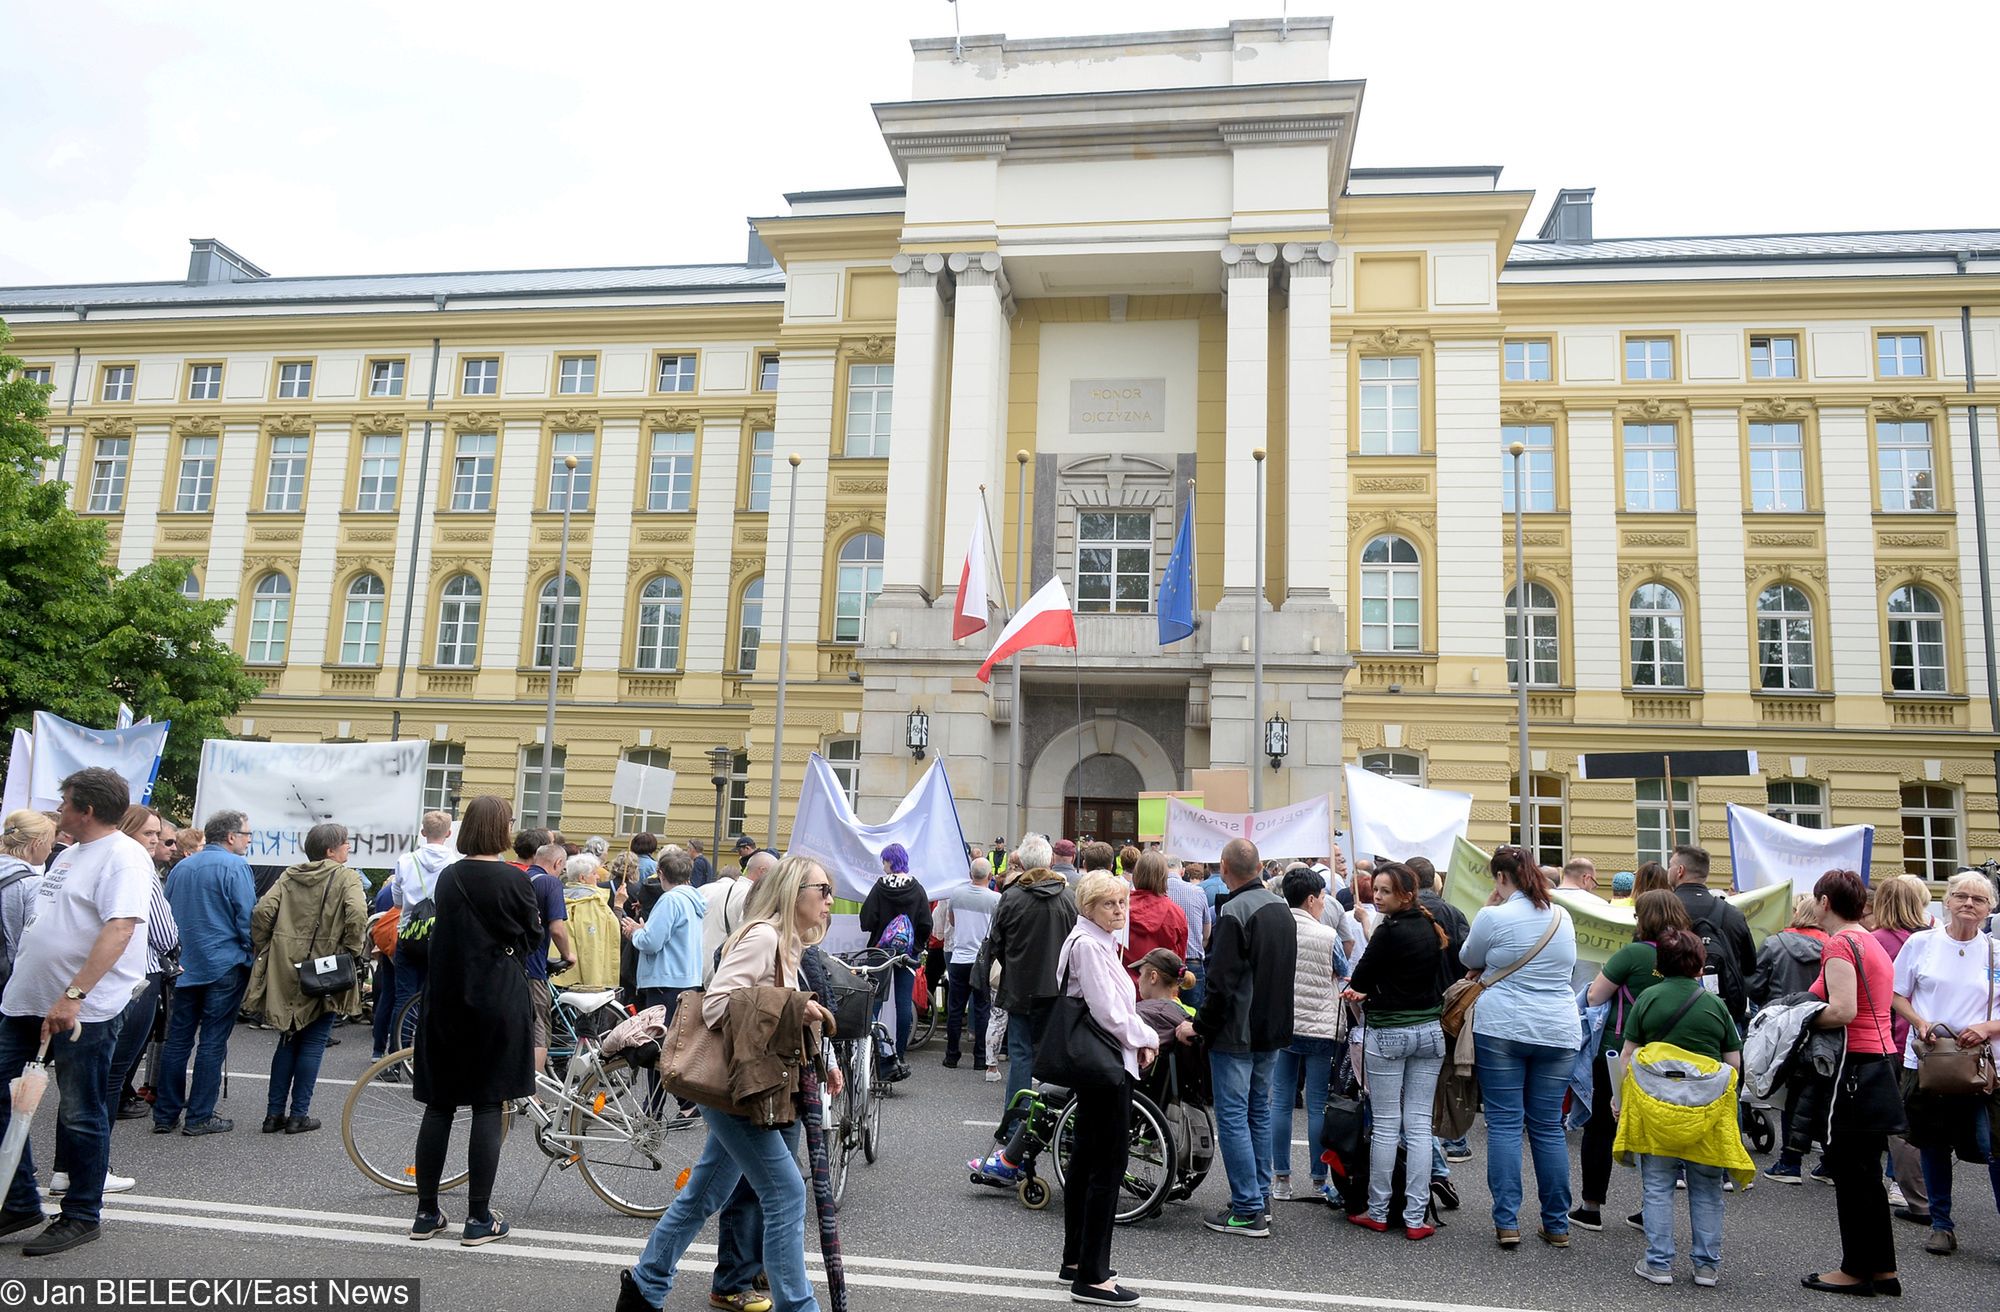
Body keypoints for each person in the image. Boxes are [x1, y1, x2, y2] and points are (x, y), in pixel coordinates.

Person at [618, 856, 841, 1312]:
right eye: (823, 890)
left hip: (759, 1085)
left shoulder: (788, 943)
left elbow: (786, 1014)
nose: (830, 901)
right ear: (793, 892)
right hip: (737, 1087)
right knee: (785, 1193)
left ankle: (644, 1287)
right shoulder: (763, 937)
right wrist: (790, 1006)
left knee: (706, 1192)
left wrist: (825, 1054)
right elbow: (718, 1004)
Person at [0, 769, 151, 1255]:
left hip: (81, 1010)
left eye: (65, 802)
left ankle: (82, 1214)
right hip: (28, 1002)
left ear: (86, 810)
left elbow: (121, 929)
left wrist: (74, 994)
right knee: (5, 1097)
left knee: (80, 1112)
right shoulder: (70, 853)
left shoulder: (123, 856)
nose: (58, 809)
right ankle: (19, 1201)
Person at [410, 796, 541, 1247]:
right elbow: (532, 936)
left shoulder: (449, 877)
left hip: (446, 997)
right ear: (501, 829)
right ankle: (478, 1217)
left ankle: (426, 1213)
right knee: (488, 1104)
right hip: (496, 997)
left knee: (440, 1105)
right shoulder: (514, 879)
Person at [1460, 845, 1581, 1248]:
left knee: (1505, 1124)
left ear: (1500, 877)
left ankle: (1507, 1221)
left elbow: (1468, 957)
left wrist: (1487, 908)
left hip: (1502, 1026)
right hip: (1558, 1028)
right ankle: (1557, 1224)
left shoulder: (1493, 916)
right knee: (1547, 1127)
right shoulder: (1562, 916)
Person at [1616, 927, 1749, 1287]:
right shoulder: (1714, 1004)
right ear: (1699, 965)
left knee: (1657, 1185)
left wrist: (1620, 1100)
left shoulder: (1648, 998)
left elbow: (1628, 1056)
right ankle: (1706, 1267)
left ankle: (1658, 1263)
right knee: (1706, 1189)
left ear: (1660, 964)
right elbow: (1734, 1063)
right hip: (1705, 1111)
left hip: (1655, 1108)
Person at [1177, 837, 1295, 1239]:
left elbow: (1221, 983)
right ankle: (1258, 1197)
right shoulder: (1281, 908)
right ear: (1260, 867)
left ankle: (1247, 1208)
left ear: (1224, 867)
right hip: (1271, 1026)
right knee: (1258, 1111)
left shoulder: (1233, 912)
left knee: (1232, 1117)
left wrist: (1200, 1026)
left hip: (1238, 1030)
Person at [1054, 872, 1156, 1308]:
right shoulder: (1090, 946)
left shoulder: (1095, 942)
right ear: (1088, 907)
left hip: (1099, 1062)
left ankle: (1077, 1259)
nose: (1119, 910)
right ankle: (1092, 1276)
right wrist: (1146, 1037)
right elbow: (1109, 1012)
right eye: (1109, 903)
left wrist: (1136, 1038)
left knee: (1086, 1160)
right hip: (1104, 1065)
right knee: (1106, 1166)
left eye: (1122, 902)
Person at [1801, 869, 1902, 1297]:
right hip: (1879, 1061)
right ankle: (1883, 1270)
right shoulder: (1870, 940)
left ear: (1824, 902)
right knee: (1866, 1172)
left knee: (1850, 1171)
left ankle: (1855, 1270)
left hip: (1853, 1066)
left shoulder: (1840, 943)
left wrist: (1800, 1018)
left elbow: (1843, 1010)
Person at [1891, 870, 2000, 1257]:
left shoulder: (1996, 951)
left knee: (1993, 1146)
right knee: (1933, 1143)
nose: (1969, 904)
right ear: (1947, 901)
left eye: (1979, 899)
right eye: (1962, 896)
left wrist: (1987, 1027)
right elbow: (1896, 994)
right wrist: (1920, 1022)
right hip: (1930, 1061)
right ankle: (1941, 1225)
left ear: (1990, 908)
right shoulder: (1921, 943)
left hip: (1984, 1066)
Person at [1572, 889, 1690, 1230]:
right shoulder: (1685, 954)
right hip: (1667, 1054)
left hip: (1618, 1050)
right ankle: (1650, 1210)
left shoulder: (1633, 954)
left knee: (1600, 1128)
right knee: (1654, 1133)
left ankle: (1591, 1207)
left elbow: (1595, 996)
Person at [1342, 862, 1448, 1236]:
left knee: (1387, 1125)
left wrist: (1365, 989)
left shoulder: (1388, 932)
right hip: (1430, 1032)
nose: (1377, 896)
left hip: (1389, 1031)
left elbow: (1360, 978)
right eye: (1376, 889)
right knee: (1419, 1126)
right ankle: (1416, 1218)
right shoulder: (1430, 926)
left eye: (1385, 891)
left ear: (1406, 894)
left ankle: (1379, 1210)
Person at [246, 821, 368, 1135]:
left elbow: (262, 911)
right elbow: (357, 914)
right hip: (327, 965)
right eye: (345, 843)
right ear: (330, 850)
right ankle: (299, 1115)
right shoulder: (346, 877)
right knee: (313, 1041)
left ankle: (273, 1115)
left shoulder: (290, 875)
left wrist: (267, 944)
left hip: (286, 963)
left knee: (288, 1037)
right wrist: (352, 949)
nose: (349, 847)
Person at [153, 810, 257, 1138]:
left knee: (178, 1040)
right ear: (231, 836)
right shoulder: (236, 866)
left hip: (185, 964)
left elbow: (166, 913)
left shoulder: (181, 867)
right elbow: (247, 918)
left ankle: (165, 1114)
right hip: (223, 963)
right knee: (212, 1041)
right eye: (246, 834)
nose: (248, 840)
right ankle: (199, 1116)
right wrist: (250, 953)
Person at [977, 835, 1078, 1130]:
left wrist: (1010, 963)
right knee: (1056, 1056)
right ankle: (1053, 1124)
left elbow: (996, 942)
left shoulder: (1012, 897)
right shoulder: (1068, 898)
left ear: (1021, 862)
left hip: (1020, 987)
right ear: (1050, 861)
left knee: (1021, 1055)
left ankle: (1015, 1126)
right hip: (1056, 989)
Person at [1269, 866, 1347, 1205]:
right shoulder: (1327, 935)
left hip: (1282, 1025)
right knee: (1317, 1105)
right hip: (1319, 1026)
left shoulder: (1275, 929)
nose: (1324, 903)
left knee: (1280, 1102)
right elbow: (1343, 971)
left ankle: (1281, 1180)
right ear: (1312, 899)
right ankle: (1319, 1180)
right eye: (1323, 897)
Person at [104, 805, 177, 1130]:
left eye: (158, 834)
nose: (156, 840)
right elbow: (164, 934)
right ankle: (93, 1154)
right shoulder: (140, 869)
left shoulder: (98, 859)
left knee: (95, 1068)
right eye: (149, 833)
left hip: (102, 973)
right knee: (113, 1071)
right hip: (137, 974)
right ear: (127, 829)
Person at [1756, 895, 1832, 1184]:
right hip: (1825, 1024)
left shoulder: (1774, 944)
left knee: (1791, 1094)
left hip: (1783, 1025)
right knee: (1823, 1094)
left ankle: (1790, 1163)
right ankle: (1829, 1162)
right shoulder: (1833, 946)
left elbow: (1756, 985)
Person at [1871, 875, 1933, 1216]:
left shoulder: (1877, 940)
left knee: (1900, 1118)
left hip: (1893, 1038)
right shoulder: (1932, 939)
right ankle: (1924, 1188)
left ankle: (1905, 1187)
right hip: (1931, 1041)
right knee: (1921, 1116)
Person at [858, 842, 931, 1081]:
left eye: (884, 861)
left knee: (874, 1003)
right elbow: (926, 924)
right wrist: (916, 945)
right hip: (907, 954)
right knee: (903, 1004)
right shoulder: (917, 888)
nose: (883, 866)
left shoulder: (880, 887)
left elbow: (867, 919)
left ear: (890, 861)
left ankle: (873, 1052)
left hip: (880, 951)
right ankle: (899, 1055)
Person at [389, 811, 455, 1048]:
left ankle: (395, 1055)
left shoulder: (406, 861)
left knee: (403, 997)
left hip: (409, 935)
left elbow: (397, 900)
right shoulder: (455, 864)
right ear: (449, 833)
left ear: (423, 832)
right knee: (436, 997)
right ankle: (426, 1054)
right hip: (441, 937)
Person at [1669, 845, 1753, 1029]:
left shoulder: (1662, 912)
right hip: (1723, 1014)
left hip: (1671, 1012)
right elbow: (1749, 966)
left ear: (1680, 871)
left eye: (1670, 866)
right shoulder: (1733, 914)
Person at [625, 844, 704, 1017]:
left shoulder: (670, 900)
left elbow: (651, 943)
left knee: (661, 1032)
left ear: (660, 873)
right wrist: (645, 930)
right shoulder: (693, 898)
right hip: (687, 977)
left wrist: (636, 932)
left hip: (666, 980)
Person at [520, 842, 575, 1074]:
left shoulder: (519, 878)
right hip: (534, 967)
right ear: (558, 863)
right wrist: (568, 954)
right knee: (538, 1029)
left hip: (513, 965)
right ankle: (532, 1089)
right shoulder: (551, 883)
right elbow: (557, 929)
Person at [942, 858, 999, 1071]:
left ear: (970, 875)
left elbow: (953, 921)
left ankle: (951, 1056)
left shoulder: (956, 894)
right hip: (982, 959)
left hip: (959, 957)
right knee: (982, 1009)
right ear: (990, 877)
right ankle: (980, 1058)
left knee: (955, 1008)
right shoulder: (996, 899)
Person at [0, 810, 55, 988]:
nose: (51, 849)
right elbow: (33, 938)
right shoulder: (31, 883)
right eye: (50, 843)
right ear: (36, 843)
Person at [704, 850, 774, 986]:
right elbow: (749, 937)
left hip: (706, 964)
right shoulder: (752, 896)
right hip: (725, 970)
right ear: (762, 871)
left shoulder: (722, 888)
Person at [1122, 851, 1188, 982]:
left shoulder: (1120, 908)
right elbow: (1179, 958)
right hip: (1161, 987)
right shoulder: (1176, 913)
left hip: (1124, 985)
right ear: (1164, 877)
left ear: (1136, 875)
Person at [1165, 858, 1213, 1007]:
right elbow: (1206, 933)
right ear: (1182, 872)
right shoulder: (1197, 891)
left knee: (1163, 1015)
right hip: (1192, 961)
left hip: (1164, 962)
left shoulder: (1157, 891)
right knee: (1192, 1016)